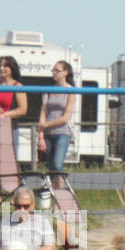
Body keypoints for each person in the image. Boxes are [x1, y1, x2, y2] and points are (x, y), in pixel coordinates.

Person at [38, 60, 76, 190]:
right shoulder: (49, 90)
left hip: (63, 132)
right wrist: (41, 136)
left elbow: (66, 117)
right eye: (53, 70)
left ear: (66, 72)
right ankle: (56, 193)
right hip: (48, 133)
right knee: (50, 167)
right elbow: (43, 111)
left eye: (57, 70)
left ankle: (63, 192)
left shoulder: (70, 91)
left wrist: (46, 124)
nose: (53, 73)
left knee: (57, 163)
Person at [0, 55, 28, 144]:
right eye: (0, 65)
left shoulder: (18, 86)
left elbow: (23, 110)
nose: (1, 68)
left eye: (5, 66)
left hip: (9, 129)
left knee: (7, 157)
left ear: (11, 68)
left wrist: (4, 114)